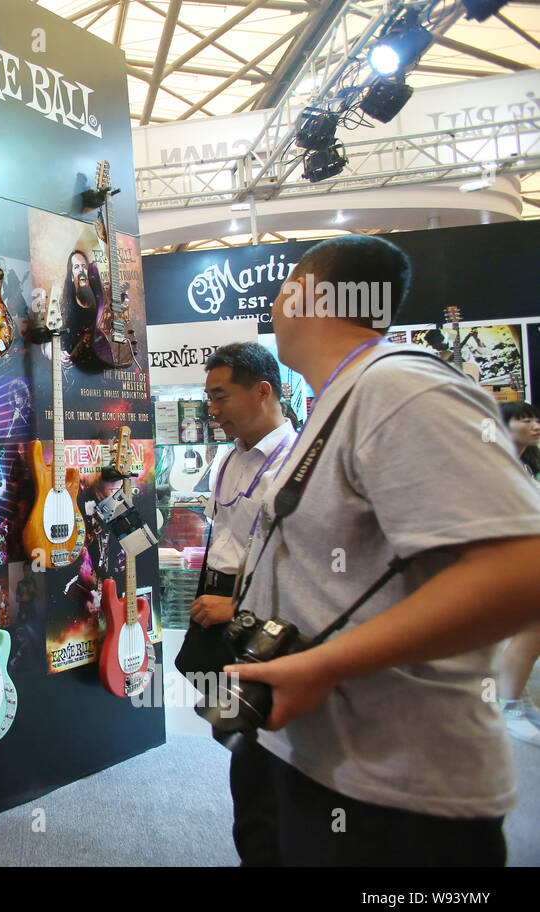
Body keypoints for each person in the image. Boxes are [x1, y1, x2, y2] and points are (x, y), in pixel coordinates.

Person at [225, 235, 540, 866]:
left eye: (286, 287)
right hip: (328, 759)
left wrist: (324, 665)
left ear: (311, 295)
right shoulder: (342, 396)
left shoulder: (400, 387)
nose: (276, 304)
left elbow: (520, 570)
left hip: (398, 792)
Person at [175, 341, 295, 867]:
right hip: (220, 607)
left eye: (221, 396)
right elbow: (227, 537)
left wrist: (238, 608)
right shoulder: (230, 460)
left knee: (270, 754)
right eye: (208, 397)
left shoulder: (293, 463)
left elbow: (293, 561)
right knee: (237, 740)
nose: (212, 410)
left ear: (263, 390)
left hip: (261, 619)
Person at [498, 402, 540, 745]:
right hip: (509, 560)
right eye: (524, 419)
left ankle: (515, 697)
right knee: (530, 630)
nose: (535, 424)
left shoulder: (524, 464)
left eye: (535, 418)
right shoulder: (495, 465)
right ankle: (509, 705)